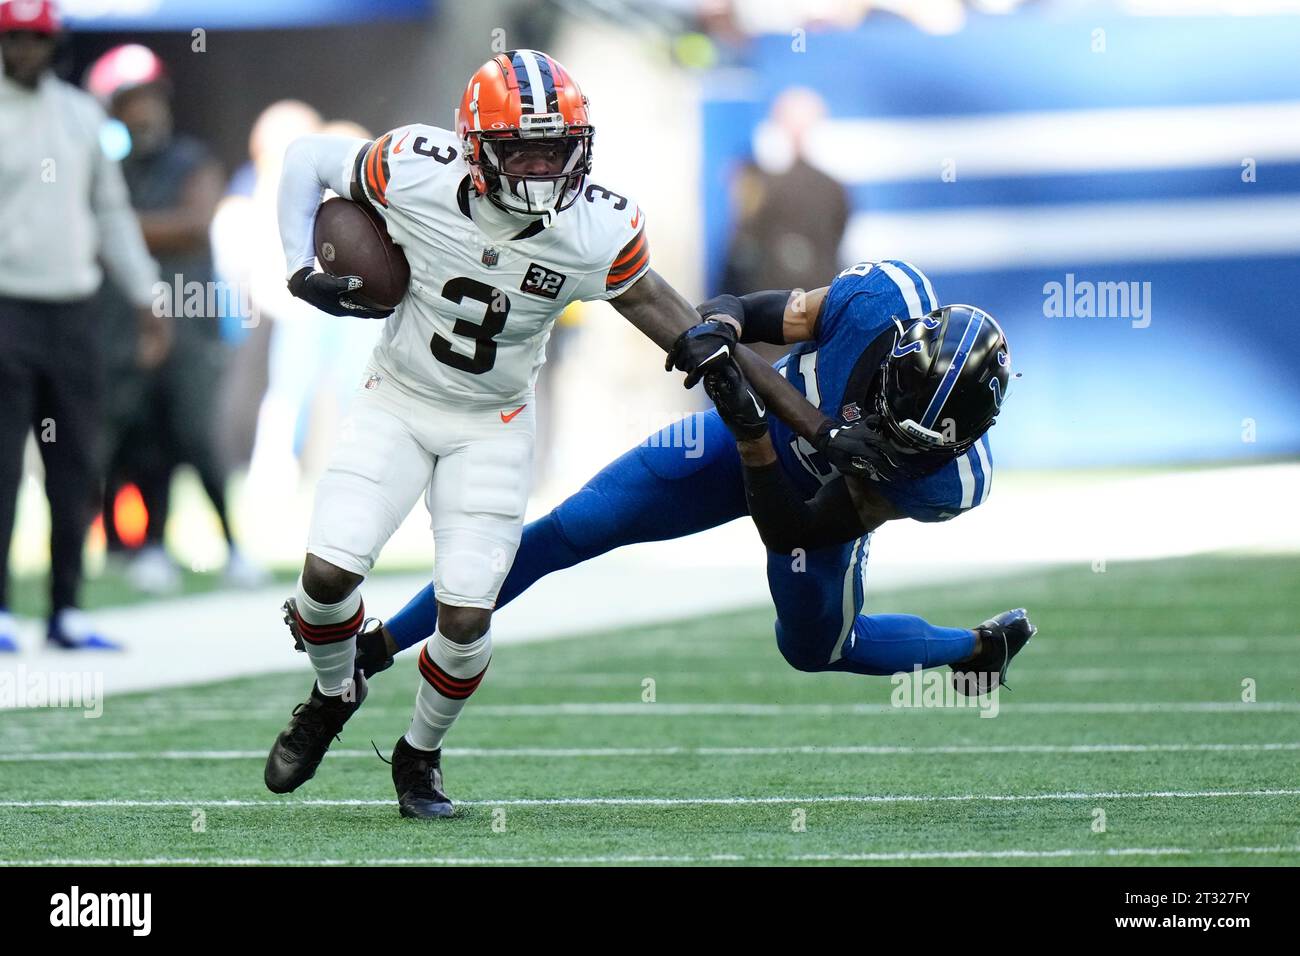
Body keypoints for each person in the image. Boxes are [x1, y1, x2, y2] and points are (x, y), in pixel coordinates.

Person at [261, 50, 858, 819]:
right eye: (522, 148)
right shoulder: (412, 167)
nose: (542, 167)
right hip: (397, 400)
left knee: (468, 612)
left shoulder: (595, 229)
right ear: (475, 149)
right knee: (326, 580)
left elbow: (697, 333)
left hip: (493, 423)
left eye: (556, 147)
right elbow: (306, 158)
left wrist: (813, 423)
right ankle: (334, 690)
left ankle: (419, 755)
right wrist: (292, 267)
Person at [347, 260, 1035, 704]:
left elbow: (794, 532)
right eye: (893, 404)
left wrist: (758, 436)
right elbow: (742, 308)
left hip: (789, 483)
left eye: (906, 435)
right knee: (570, 529)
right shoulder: (878, 301)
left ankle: (978, 647)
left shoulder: (947, 482)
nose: (887, 426)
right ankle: (379, 646)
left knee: (817, 650)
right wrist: (724, 329)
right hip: (737, 438)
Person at [0, 1, 168, 652]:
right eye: (13, 40)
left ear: (54, 44)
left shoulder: (80, 115)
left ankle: (65, 606)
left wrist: (149, 296)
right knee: (2, 469)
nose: (24, 52)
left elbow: (112, 213)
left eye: (34, 40)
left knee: (76, 464)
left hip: (72, 309)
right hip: (6, 304)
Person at [84, 43, 265, 593]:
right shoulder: (110, 168)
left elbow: (193, 224)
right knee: (143, 434)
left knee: (193, 431)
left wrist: (111, 227)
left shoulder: (191, 160)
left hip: (188, 318)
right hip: (128, 322)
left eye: (149, 99)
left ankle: (232, 546)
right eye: (131, 101)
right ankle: (150, 545)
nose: (143, 113)